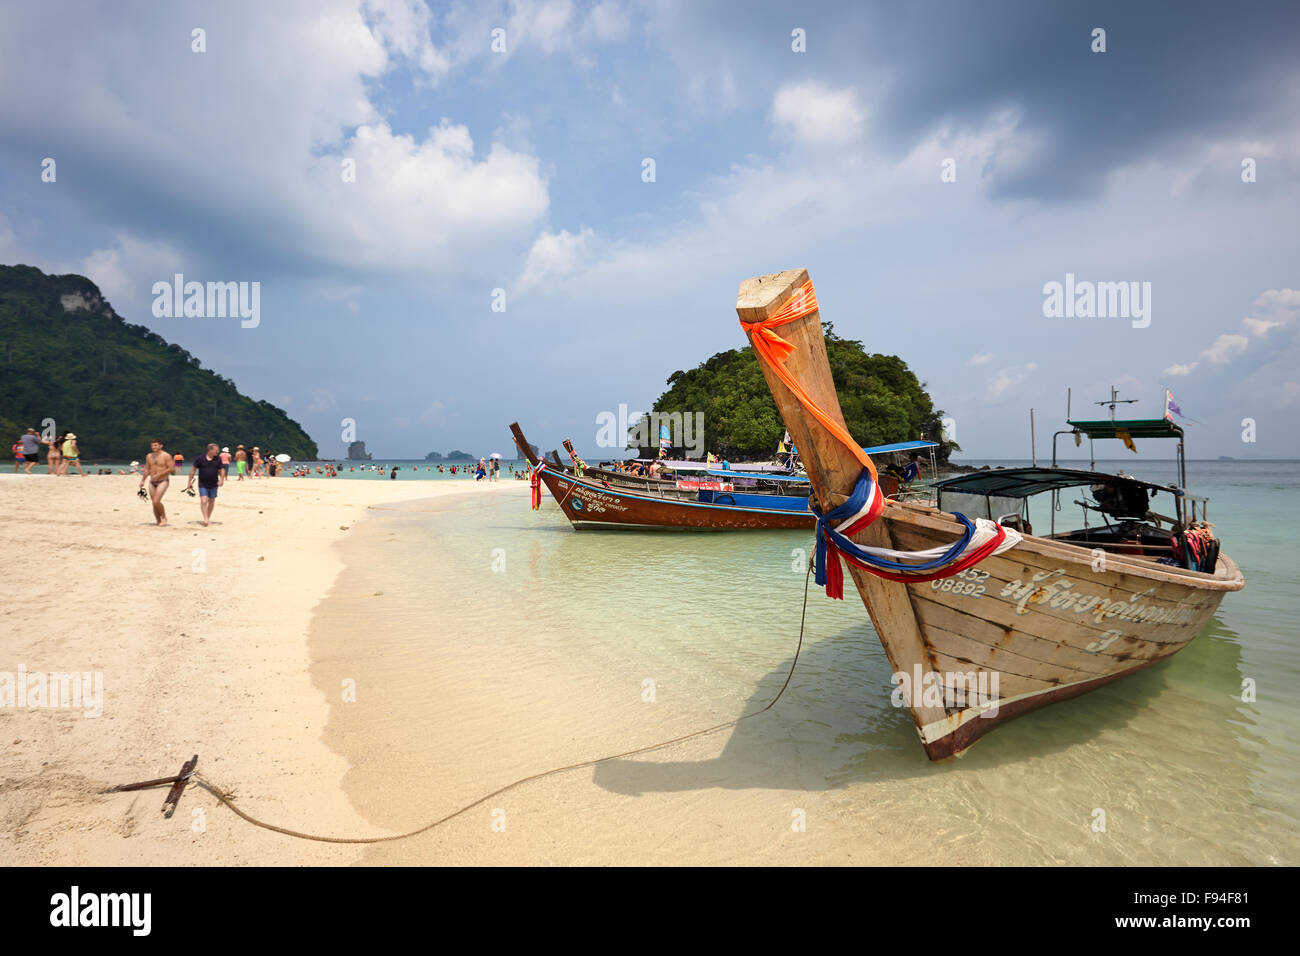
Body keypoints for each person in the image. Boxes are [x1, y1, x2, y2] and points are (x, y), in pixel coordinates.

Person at [186, 443, 227, 526]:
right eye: (216, 450)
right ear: (210, 450)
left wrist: (222, 480)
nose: (217, 452)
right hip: (203, 483)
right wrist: (189, 482)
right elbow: (193, 470)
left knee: (211, 501)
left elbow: (222, 470)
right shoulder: (200, 459)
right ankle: (205, 519)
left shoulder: (218, 459)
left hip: (214, 483)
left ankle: (207, 518)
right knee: (204, 501)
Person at [139, 439, 175, 526]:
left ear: (160, 446)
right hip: (152, 481)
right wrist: (143, 480)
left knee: (156, 501)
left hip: (163, 481)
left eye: (155, 445)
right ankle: (158, 520)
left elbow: (171, 469)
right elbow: (147, 469)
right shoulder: (149, 456)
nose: (153, 447)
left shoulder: (166, 456)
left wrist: (159, 475)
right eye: (152, 445)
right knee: (154, 503)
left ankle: (163, 517)